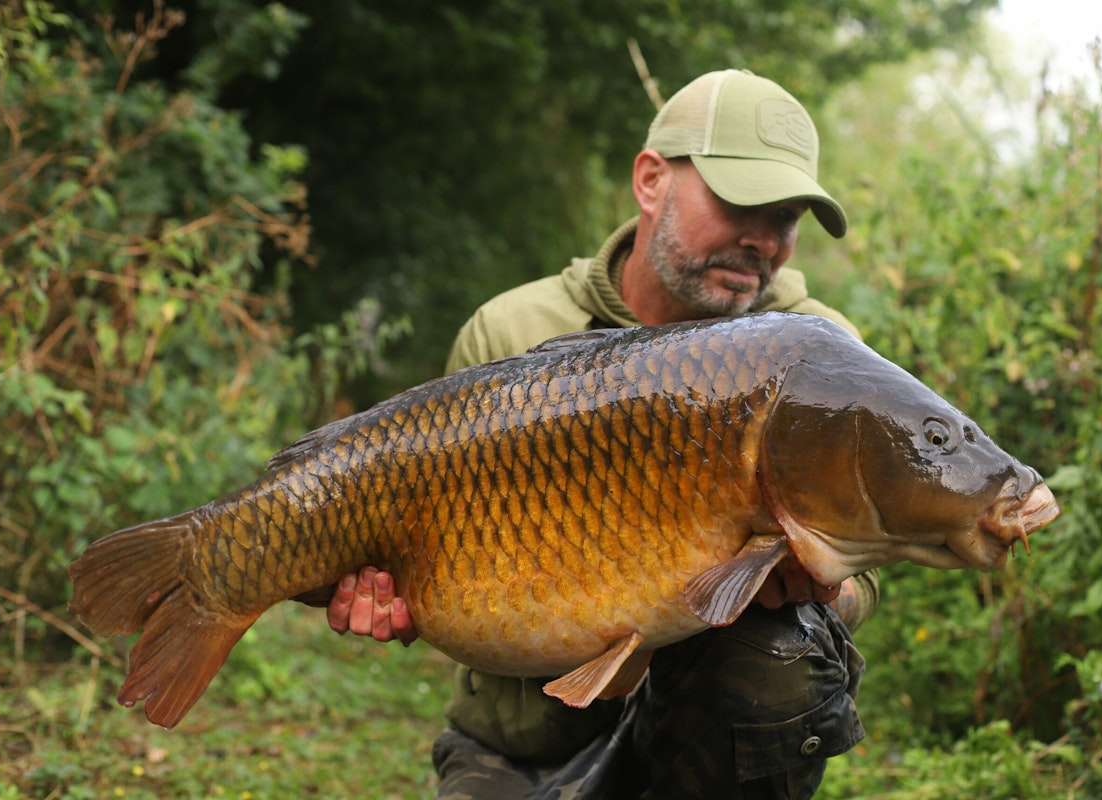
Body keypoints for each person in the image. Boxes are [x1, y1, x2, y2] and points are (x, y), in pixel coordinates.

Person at [328, 69, 879, 799]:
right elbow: (424, 547)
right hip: (529, 740)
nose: (762, 239)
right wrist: (404, 593)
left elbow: (867, 569)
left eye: (786, 216)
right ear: (651, 180)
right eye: (740, 201)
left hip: (715, 730)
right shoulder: (514, 331)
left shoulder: (820, 356)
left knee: (777, 652)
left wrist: (824, 590)